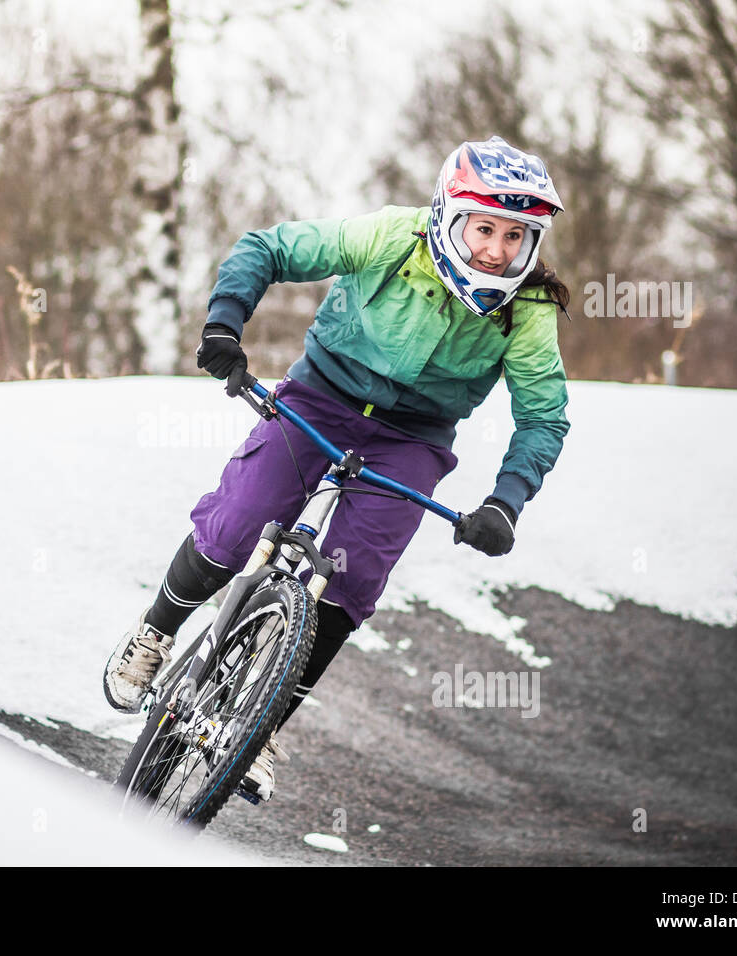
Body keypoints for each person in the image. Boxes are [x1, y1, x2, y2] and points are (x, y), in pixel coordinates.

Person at [103, 135, 572, 802]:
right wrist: (223, 327)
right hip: (320, 399)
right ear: (448, 218)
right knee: (237, 524)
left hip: (412, 440)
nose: (498, 250)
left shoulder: (528, 311)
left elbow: (543, 417)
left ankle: (262, 722)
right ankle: (154, 631)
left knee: (354, 580)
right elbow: (266, 248)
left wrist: (505, 502)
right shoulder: (390, 236)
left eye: (516, 236)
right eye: (484, 229)